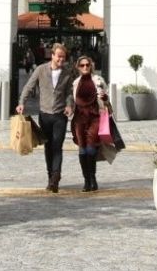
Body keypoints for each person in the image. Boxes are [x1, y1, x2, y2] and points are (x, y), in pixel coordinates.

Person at [16, 42, 72, 193]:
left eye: (64, 57)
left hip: (60, 115)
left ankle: (55, 177)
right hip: (45, 115)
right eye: (59, 56)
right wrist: (22, 103)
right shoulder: (41, 70)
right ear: (52, 55)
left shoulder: (67, 73)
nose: (61, 59)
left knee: (57, 146)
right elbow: (29, 86)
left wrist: (69, 105)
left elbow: (69, 92)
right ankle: (50, 177)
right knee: (48, 147)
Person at [68, 55, 111, 192]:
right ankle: (86, 181)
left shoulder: (98, 81)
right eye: (82, 65)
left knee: (91, 149)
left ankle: (93, 179)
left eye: (87, 65)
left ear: (91, 66)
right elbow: (73, 100)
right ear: (78, 67)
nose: (85, 67)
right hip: (79, 119)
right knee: (82, 150)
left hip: (95, 117)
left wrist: (105, 98)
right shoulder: (75, 83)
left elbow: (107, 99)